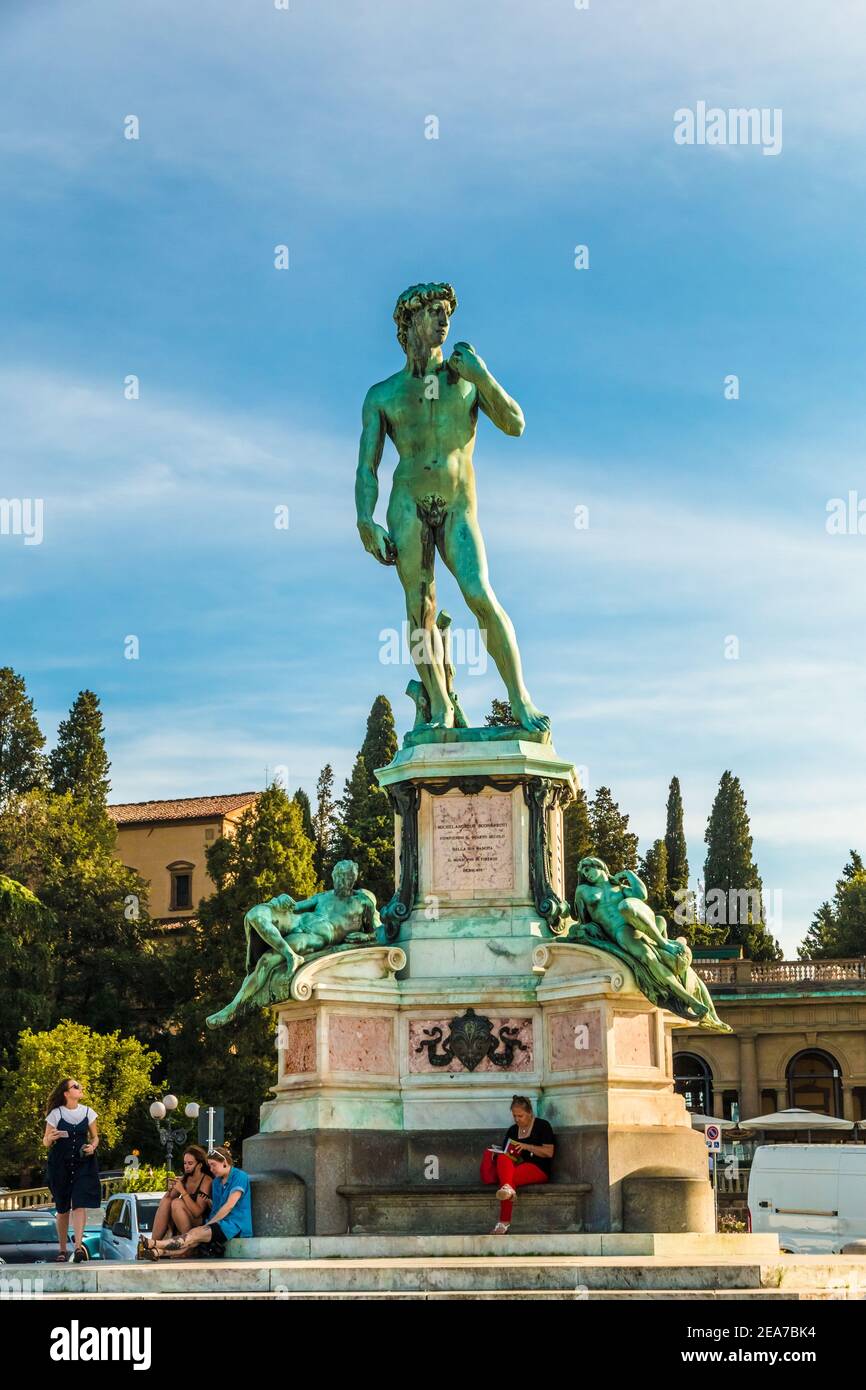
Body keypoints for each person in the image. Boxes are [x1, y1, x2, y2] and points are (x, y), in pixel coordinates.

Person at [356, 281, 548, 733]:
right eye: (435, 312)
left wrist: (482, 376)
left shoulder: (465, 380)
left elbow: (516, 424)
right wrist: (365, 520)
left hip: (458, 504)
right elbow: (367, 467)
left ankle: (520, 700)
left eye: (448, 312)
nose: (445, 320)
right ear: (410, 322)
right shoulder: (383, 395)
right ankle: (440, 703)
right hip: (407, 504)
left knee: (479, 593)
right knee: (419, 607)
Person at [144, 1146, 252, 1259]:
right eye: (209, 1165)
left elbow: (229, 1206)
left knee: (194, 1234)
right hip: (218, 1223)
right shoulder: (216, 1182)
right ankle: (158, 1252)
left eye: (213, 1165)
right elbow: (216, 1208)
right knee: (193, 1237)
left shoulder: (240, 1176)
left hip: (234, 1225)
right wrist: (210, 1205)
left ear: (224, 1162)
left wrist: (209, 1224)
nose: (211, 1169)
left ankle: (154, 1244)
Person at [42, 1078, 101, 1263]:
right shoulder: (56, 1113)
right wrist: (50, 1138)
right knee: (62, 1208)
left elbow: (95, 1137)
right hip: (60, 1164)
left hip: (83, 1162)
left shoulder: (88, 1112)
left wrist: (93, 1147)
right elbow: (45, 1141)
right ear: (66, 1093)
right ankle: (62, 1249)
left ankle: (78, 1248)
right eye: (75, 1086)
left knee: (79, 1203)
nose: (80, 1088)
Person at [481, 1095, 555, 1234]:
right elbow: (507, 1153)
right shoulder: (512, 1130)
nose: (517, 1119)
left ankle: (504, 1222)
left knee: (507, 1181)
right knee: (503, 1159)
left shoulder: (542, 1126)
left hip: (538, 1168)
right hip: (515, 1166)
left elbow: (549, 1152)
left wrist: (526, 1147)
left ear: (530, 1113)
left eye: (520, 1116)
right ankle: (508, 1193)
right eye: (514, 1116)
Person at [139, 1144, 212, 1256]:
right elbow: (166, 1200)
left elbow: (197, 1212)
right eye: (185, 1163)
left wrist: (183, 1191)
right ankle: (153, 1243)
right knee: (168, 1201)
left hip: (200, 1221)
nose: (186, 1166)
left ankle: (187, 1245)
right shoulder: (185, 1178)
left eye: (190, 1163)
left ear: (199, 1165)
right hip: (183, 1218)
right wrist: (170, 1190)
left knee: (177, 1203)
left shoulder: (206, 1180)